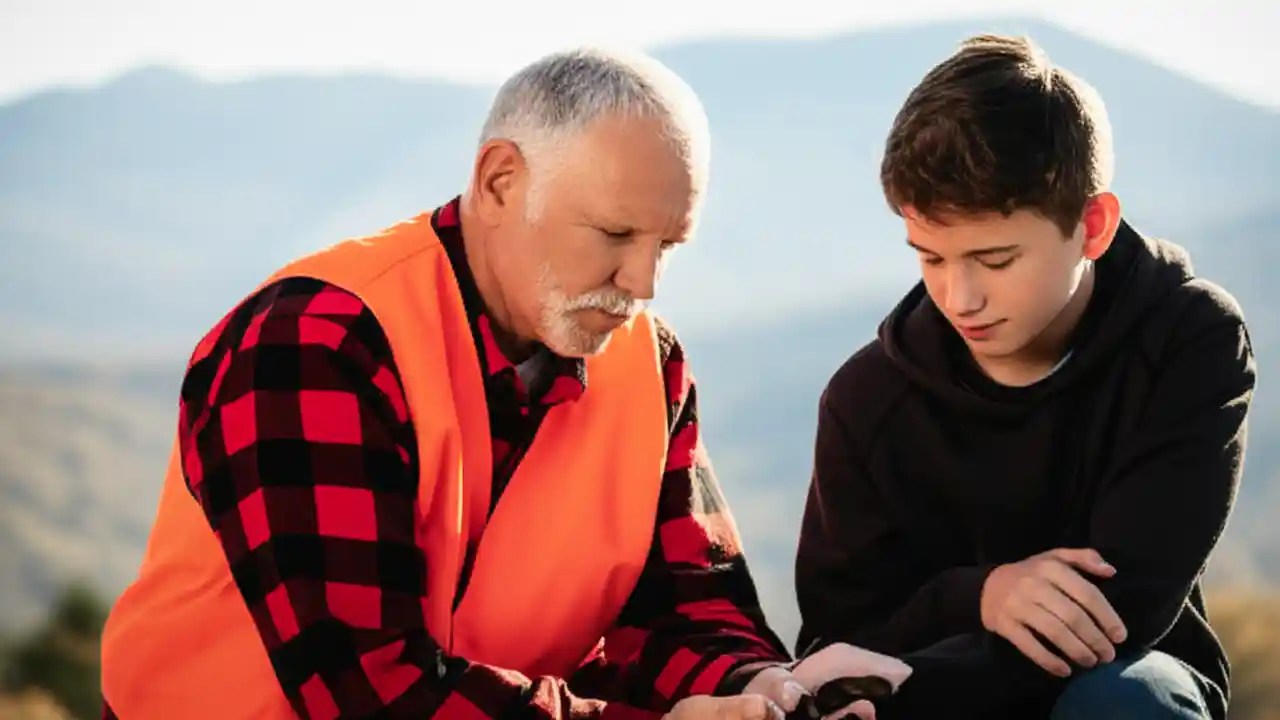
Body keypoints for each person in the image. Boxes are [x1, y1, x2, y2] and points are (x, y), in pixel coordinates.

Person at [99, 47, 906, 720]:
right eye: (617, 233)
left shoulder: (649, 365)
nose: (644, 281)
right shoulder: (312, 344)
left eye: (670, 243)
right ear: (498, 182)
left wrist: (760, 689)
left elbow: (687, 609)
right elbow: (370, 692)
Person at [793, 33, 1256, 719]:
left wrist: (917, 690)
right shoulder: (866, 400)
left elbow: (1118, 613)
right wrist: (981, 596)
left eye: (997, 259)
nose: (960, 298)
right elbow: (838, 635)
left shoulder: (1190, 340)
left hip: (1118, 683)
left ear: (1093, 226)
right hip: (919, 697)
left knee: (1124, 700)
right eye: (931, 258)